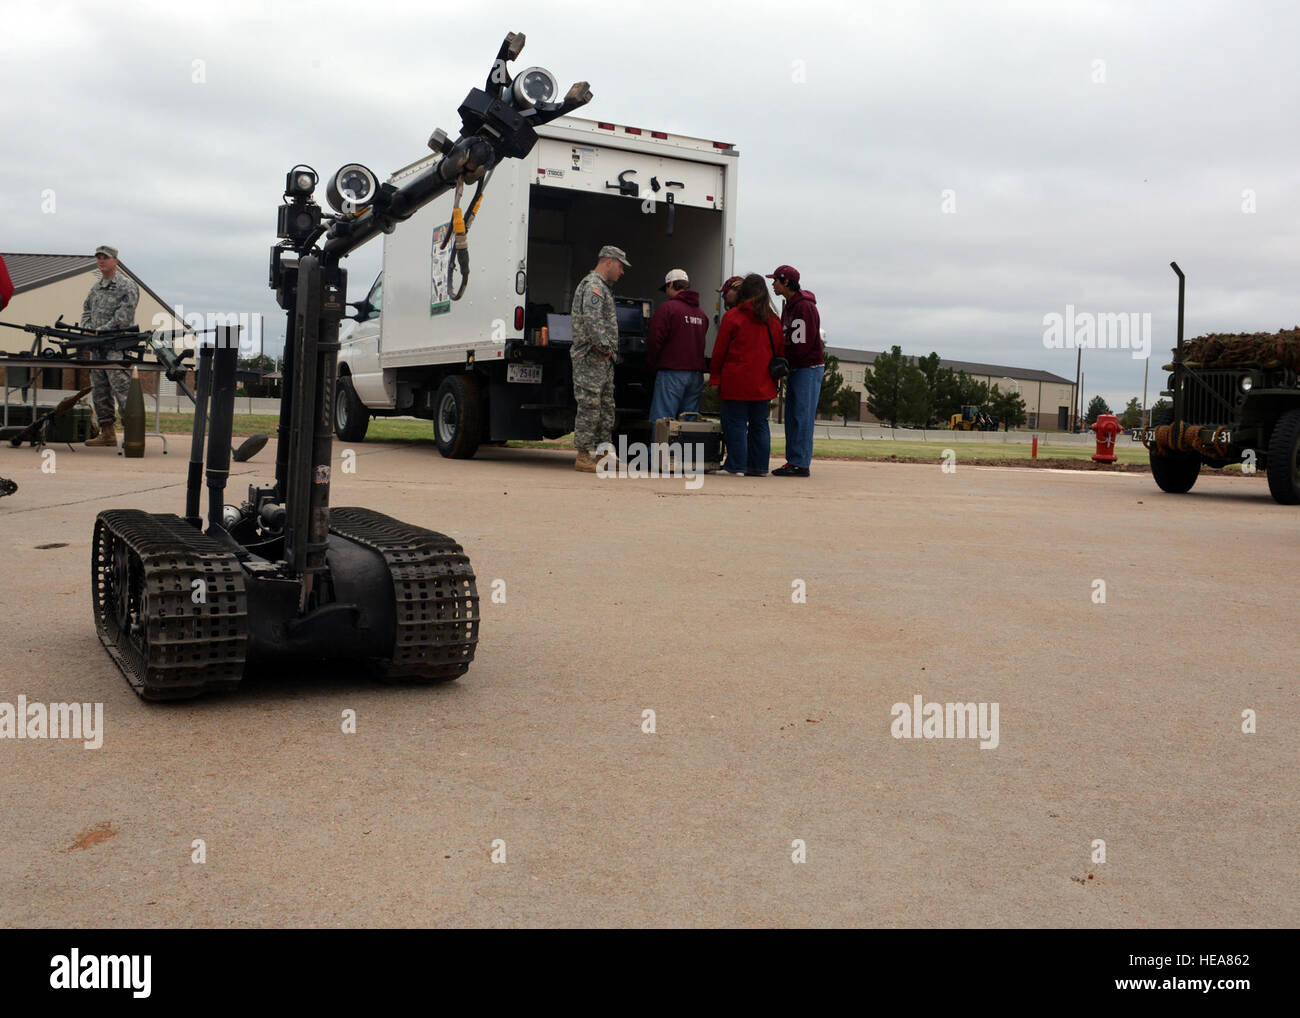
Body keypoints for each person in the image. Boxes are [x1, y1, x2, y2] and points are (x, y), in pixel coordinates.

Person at [708, 273, 782, 476]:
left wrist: (715, 377)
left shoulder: (733, 317)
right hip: (763, 382)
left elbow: (719, 352)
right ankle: (759, 467)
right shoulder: (773, 320)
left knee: (736, 424)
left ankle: (736, 465)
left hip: (736, 381)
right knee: (759, 424)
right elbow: (780, 352)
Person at [570, 245, 629, 472]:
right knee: (590, 404)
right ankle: (583, 455)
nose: (621, 272)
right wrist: (604, 347)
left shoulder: (602, 287)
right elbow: (592, 320)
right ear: (609, 262)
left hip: (602, 359)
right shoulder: (593, 286)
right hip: (591, 357)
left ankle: (603, 453)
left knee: (606, 405)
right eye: (620, 266)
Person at [81, 245, 140, 448]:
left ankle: (133, 435)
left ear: (115, 261)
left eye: (105, 257)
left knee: (122, 391)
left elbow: (124, 318)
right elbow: (86, 311)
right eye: (98, 257)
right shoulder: (95, 288)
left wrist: (100, 332)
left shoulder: (127, 286)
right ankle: (107, 433)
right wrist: (88, 329)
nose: (101, 261)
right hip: (97, 349)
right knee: (99, 392)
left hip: (115, 348)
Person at [767, 264, 822, 477]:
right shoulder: (790, 304)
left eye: (776, 280)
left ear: (786, 282)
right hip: (798, 366)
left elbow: (803, 343)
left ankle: (800, 462)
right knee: (792, 415)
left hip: (807, 367)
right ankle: (794, 460)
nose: (773, 284)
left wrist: (787, 363)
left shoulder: (803, 306)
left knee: (802, 415)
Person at [647, 268, 708, 426]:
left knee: (663, 421)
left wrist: (652, 363)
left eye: (667, 288)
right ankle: (684, 451)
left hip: (672, 373)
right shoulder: (701, 314)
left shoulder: (667, 309)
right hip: (696, 376)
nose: (667, 292)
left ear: (672, 284)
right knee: (688, 423)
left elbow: (654, 340)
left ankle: (660, 451)